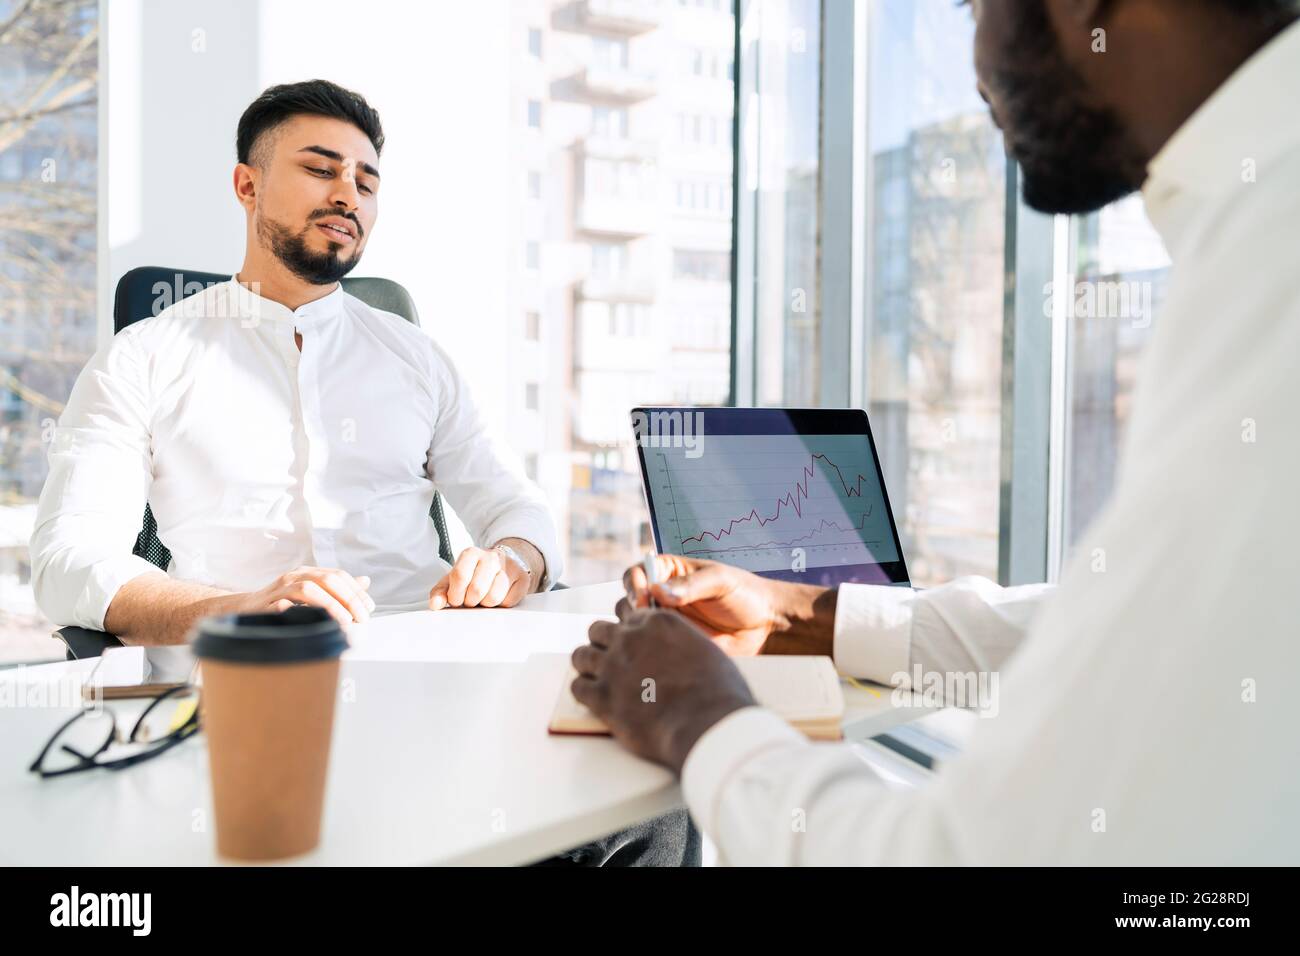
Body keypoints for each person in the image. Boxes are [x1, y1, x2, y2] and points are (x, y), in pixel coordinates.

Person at [572, 0, 1300, 864]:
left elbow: (964, 855)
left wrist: (701, 717)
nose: (975, 58)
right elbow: (1109, 627)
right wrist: (800, 613)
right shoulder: (1254, 225)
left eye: (972, 6)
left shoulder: (1270, 262)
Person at [31, 80, 561, 646]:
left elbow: (516, 509)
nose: (348, 196)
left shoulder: (418, 358)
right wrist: (240, 610)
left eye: (366, 182)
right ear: (247, 185)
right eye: (321, 170)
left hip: (429, 650)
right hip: (245, 670)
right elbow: (68, 559)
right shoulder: (142, 357)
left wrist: (514, 561)